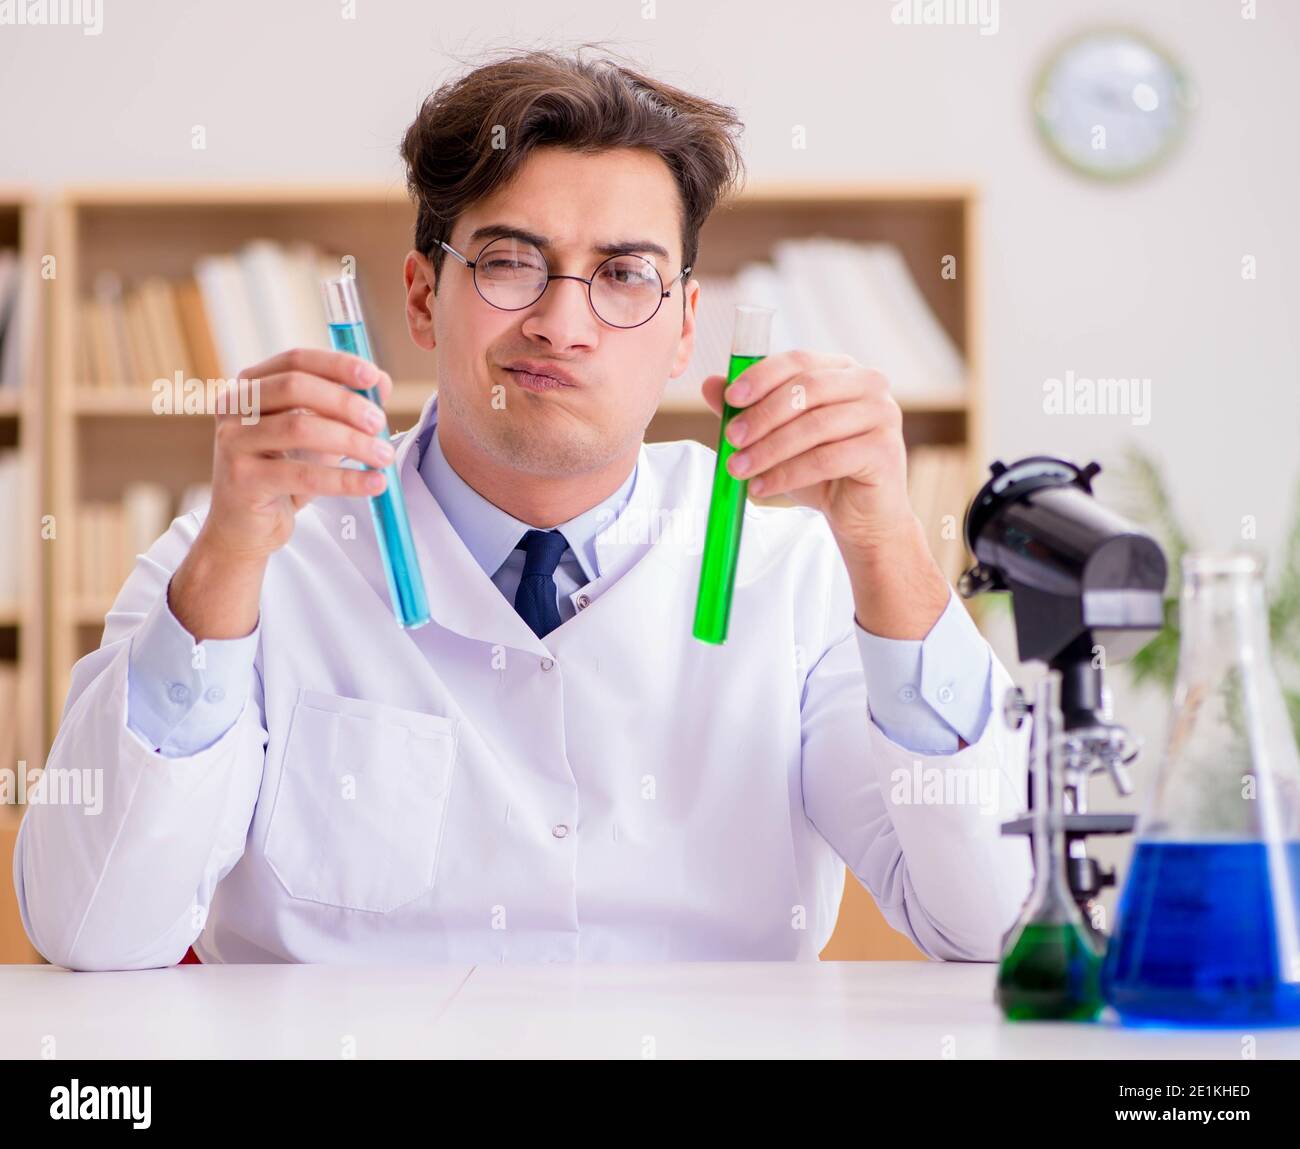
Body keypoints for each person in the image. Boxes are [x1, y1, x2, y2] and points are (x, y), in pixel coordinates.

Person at [16, 48, 1029, 970]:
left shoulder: (794, 569)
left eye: (624, 275)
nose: (562, 323)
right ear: (420, 298)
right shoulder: (239, 557)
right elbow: (94, 933)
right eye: (507, 263)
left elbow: (989, 923)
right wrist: (230, 565)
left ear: (685, 327)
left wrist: (887, 545)